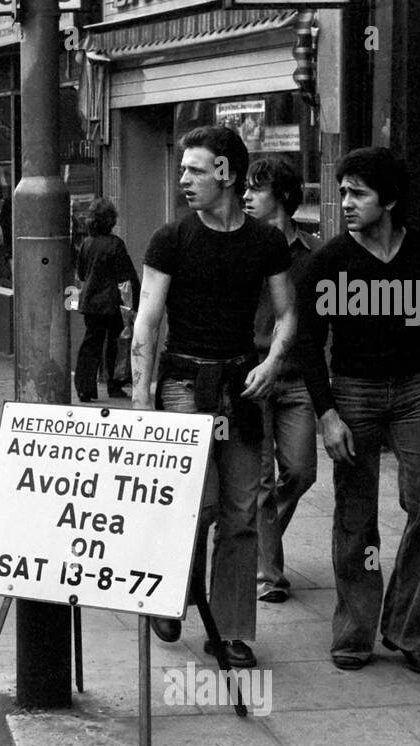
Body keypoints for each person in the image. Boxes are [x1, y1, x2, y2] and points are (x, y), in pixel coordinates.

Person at [130, 125, 297, 669]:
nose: (184, 180)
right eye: (183, 170)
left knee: (241, 512)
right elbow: (147, 320)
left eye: (195, 170)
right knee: (187, 506)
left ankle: (231, 630)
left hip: (244, 387)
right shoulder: (171, 238)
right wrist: (139, 396)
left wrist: (273, 362)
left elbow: (289, 312)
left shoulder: (266, 242)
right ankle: (171, 596)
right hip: (183, 385)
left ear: (226, 173)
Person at [295, 147, 420, 676]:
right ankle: (355, 631)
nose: (344, 201)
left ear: (388, 199)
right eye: (342, 191)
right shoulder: (328, 261)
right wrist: (327, 413)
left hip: (415, 392)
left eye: (357, 192)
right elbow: (308, 344)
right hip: (354, 393)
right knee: (356, 518)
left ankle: (407, 626)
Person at [242, 156, 321, 604]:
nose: (247, 196)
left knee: (301, 471)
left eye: (257, 189)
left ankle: (256, 539)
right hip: (253, 371)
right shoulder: (243, 245)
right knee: (261, 481)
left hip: (297, 378)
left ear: (284, 197)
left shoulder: (313, 252)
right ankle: (269, 575)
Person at [74, 197, 140, 401]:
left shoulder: (86, 243)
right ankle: (114, 385)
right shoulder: (115, 244)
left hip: (90, 302)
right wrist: (135, 302)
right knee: (114, 344)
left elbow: (82, 274)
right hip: (112, 303)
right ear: (110, 220)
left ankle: (85, 388)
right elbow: (126, 277)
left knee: (90, 344)